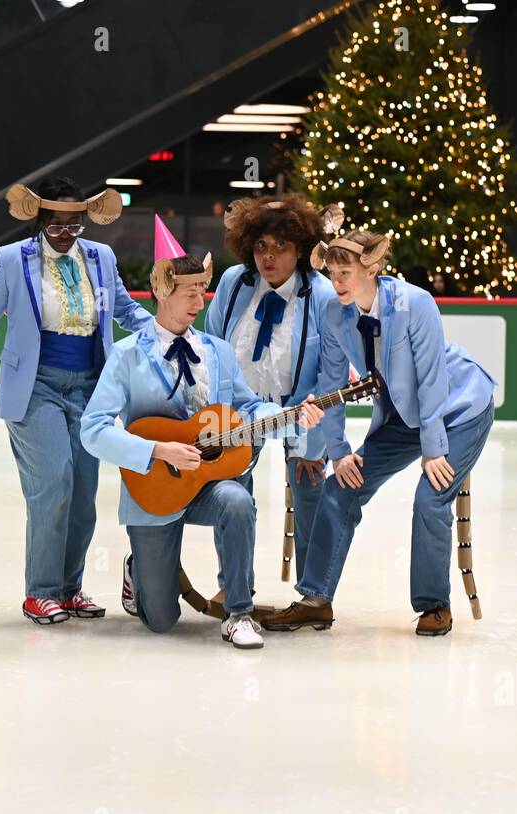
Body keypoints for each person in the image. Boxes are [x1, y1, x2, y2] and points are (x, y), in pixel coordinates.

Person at [80, 251, 323, 650]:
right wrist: (157, 450)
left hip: (209, 486)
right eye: (189, 294)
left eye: (202, 293)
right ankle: (139, 569)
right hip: (153, 490)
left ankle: (239, 613)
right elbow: (93, 429)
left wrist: (291, 416)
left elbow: (246, 409)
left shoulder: (218, 352)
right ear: (160, 291)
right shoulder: (127, 355)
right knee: (160, 621)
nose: (199, 304)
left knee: (238, 499)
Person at [262, 230, 496, 638]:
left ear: (372, 269)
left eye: (346, 272)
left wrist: (434, 448)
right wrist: (339, 452)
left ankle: (433, 605)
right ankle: (316, 600)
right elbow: (332, 383)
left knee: (430, 497)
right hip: (404, 416)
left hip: (456, 408)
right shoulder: (336, 314)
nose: (337, 283)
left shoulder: (415, 303)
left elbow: (431, 380)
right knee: (340, 488)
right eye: (332, 273)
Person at [0, 177, 153, 625]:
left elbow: (126, 311)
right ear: (40, 221)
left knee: (84, 493)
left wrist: (163, 333)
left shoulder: (101, 259)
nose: (67, 235)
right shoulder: (13, 260)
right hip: (35, 387)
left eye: (75, 226)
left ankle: (69, 589)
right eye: (57, 227)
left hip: (91, 388)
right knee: (54, 483)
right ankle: (41, 592)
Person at [204, 195, 337, 588]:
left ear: (301, 249)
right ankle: (234, 588)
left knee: (310, 492)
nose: (269, 256)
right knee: (231, 494)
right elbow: (211, 346)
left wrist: (313, 443)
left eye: (282, 246)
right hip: (240, 409)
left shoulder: (322, 294)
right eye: (261, 245)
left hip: (302, 411)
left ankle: (314, 595)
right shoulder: (234, 283)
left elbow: (330, 371)